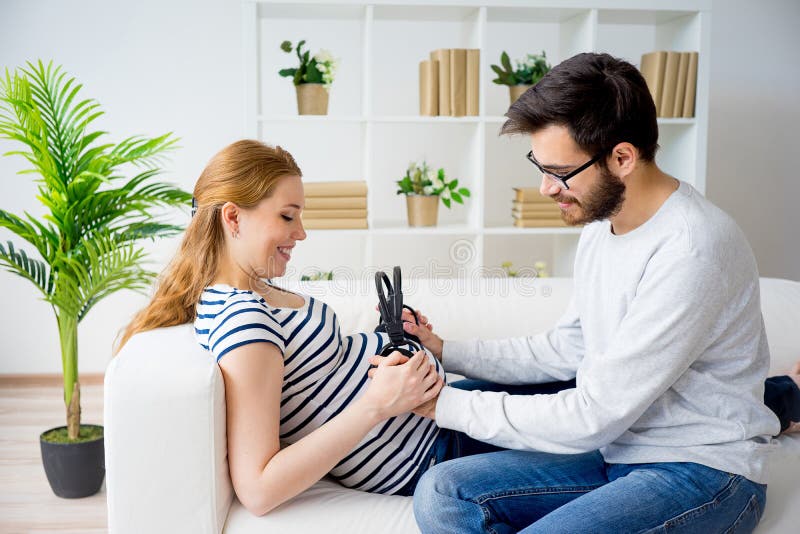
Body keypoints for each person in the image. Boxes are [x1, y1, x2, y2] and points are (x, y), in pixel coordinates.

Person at [400, 52, 790, 534]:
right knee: (444, 493)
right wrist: (445, 351)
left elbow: (593, 414)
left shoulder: (692, 248)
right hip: (619, 451)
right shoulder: (602, 225)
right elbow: (570, 347)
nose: (545, 188)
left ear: (622, 158)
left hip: (700, 471)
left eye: (560, 172)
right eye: (539, 166)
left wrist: (444, 404)